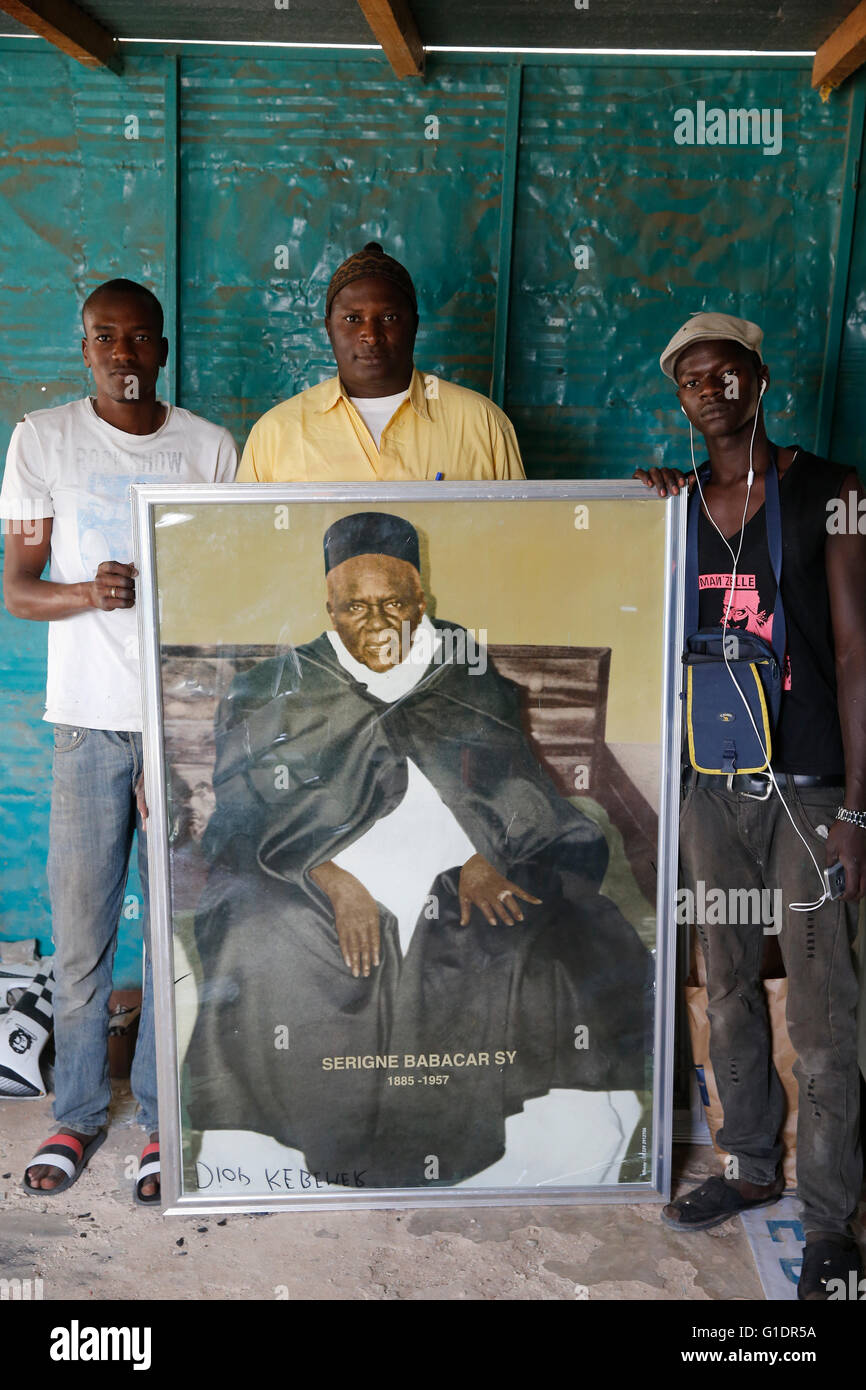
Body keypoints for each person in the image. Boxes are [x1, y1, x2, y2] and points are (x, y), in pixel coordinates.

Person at [184, 511, 652, 1188]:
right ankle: (277, 1159)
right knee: (262, 940)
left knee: (538, 933)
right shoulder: (279, 687)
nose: (375, 621)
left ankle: (540, 1158)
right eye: (355, 607)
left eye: (394, 604)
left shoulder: (461, 669)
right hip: (309, 869)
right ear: (327, 607)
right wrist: (329, 878)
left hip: (454, 858)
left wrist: (482, 855)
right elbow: (243, 814)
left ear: (421, 602)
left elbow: (513, 779)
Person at [635, 311, 866, 1300]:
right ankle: (746, 1164)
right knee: (722, 984)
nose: (710, 388)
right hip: (710, 779)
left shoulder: (837, 492)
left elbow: (856, 655)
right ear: (679, 396)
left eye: (725, 371)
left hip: (807, 785)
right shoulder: (676, 505)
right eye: (691, 377)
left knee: (820, 1012)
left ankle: (827, 1220)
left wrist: (859, 806)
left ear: (758, 379)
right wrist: (658, 505)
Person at [0, 278, 238, 1201]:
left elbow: (230, 592)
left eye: (140, 339)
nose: (124, 354)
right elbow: (19, 588)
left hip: (180, 727)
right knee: (82, 930)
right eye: (106, 338)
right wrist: (87, 595)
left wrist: (187, 727)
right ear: (85, 348)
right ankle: (74, 1116)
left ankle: (156, 1122)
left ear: (163, 349)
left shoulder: (210, 449)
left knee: (174, 931)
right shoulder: (41, 440)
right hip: (87, 727)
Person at [237, 242, 525, 483]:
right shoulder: (275, 433)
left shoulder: (482, 424)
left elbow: (517, 541)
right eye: (352, 319)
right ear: (328, 328)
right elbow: (250, 544)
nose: (371, 336)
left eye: (389, 318)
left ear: (414, 325)